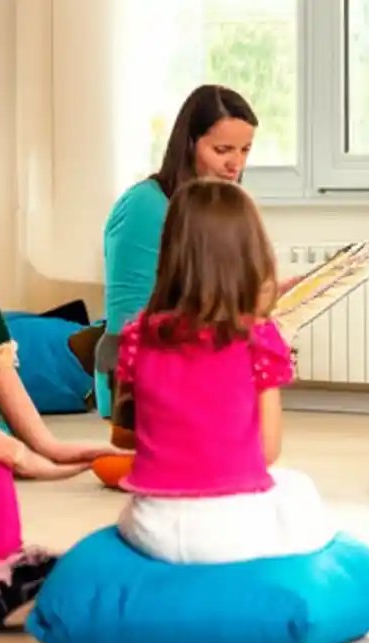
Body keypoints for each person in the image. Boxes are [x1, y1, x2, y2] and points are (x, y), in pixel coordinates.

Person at [114, 179, 334, 564]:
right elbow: (268, 450)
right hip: (234, 527)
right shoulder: (259, 338)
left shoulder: (138, 334)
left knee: (129, 516)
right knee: (299, 489)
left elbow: (125, 436)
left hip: (153, 526)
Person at [98, 85, 268, 439]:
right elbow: (130, 319)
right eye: (222, 150)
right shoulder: (145, 206)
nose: (235, 164)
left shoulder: (219, 209)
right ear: (189, 144)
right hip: (144, 376)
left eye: (245, 150)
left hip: (197, 360)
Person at [0, 285, 116, 628]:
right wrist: (16, 455)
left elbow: (32, 436)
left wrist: (57, 452)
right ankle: (2, 582)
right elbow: (3, 448)